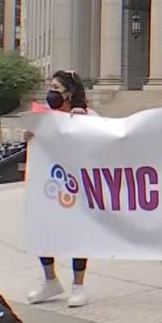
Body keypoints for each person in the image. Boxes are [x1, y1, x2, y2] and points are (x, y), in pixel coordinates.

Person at [27, 70, 95, 308]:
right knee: (43, 228)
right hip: (50, 184)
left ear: (70, 92)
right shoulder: (44, 117)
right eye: (50, 87)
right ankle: (50, 280)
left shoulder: (87, 115)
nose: (51, 92)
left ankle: (78, 285)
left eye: (56, 87)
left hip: (77, 185)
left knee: (77, 231)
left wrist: (84, 120)